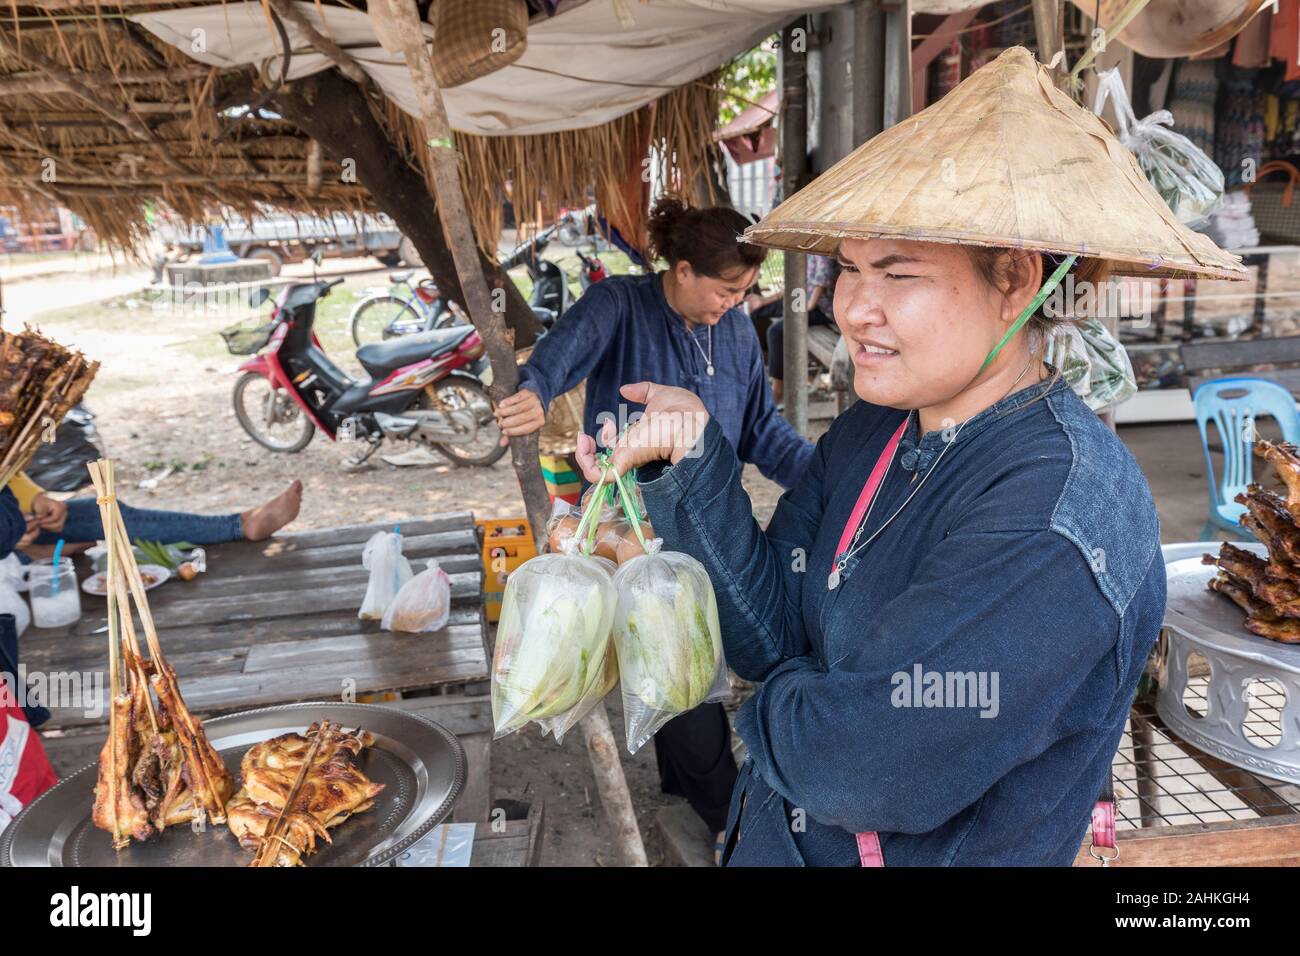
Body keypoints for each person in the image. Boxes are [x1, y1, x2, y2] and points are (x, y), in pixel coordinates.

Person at [573, 47, 1246, 865]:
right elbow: (771, 629)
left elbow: (857, 765)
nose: (852, 308)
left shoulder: (1054, 523)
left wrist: (766, 705)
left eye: (897, 273)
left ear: (1018, 279)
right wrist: (693, 459)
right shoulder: (878, 427)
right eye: (849, 269)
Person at [495, 197, 815, 855]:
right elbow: (563, 350)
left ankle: (682, 781)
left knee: (687, 659)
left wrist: (825, 479)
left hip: (706, 521)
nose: (734, 302)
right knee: (680, 661)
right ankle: (728, 812)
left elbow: (758, 430)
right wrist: (533, 388)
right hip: (627, 524)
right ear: (685, 269)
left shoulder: (732, 330)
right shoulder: (623, 304)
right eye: (726, 289)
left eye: (746, 291)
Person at [8, 470, 303, 559]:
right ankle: (43, 553)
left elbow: (5, 468)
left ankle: (240, 525)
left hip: (14, 525)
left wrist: (35, 498)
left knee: (104, 512)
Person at [745, 254, 840, 404]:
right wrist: (763, 301)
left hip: (822, 308)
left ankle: (778, 390)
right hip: (801, 299)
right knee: (756, 314)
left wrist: (809, 306)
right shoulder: (804, 249)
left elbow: (824, 277)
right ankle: (770, 369)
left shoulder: (820, 246)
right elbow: (794, 283)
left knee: (776, 332)